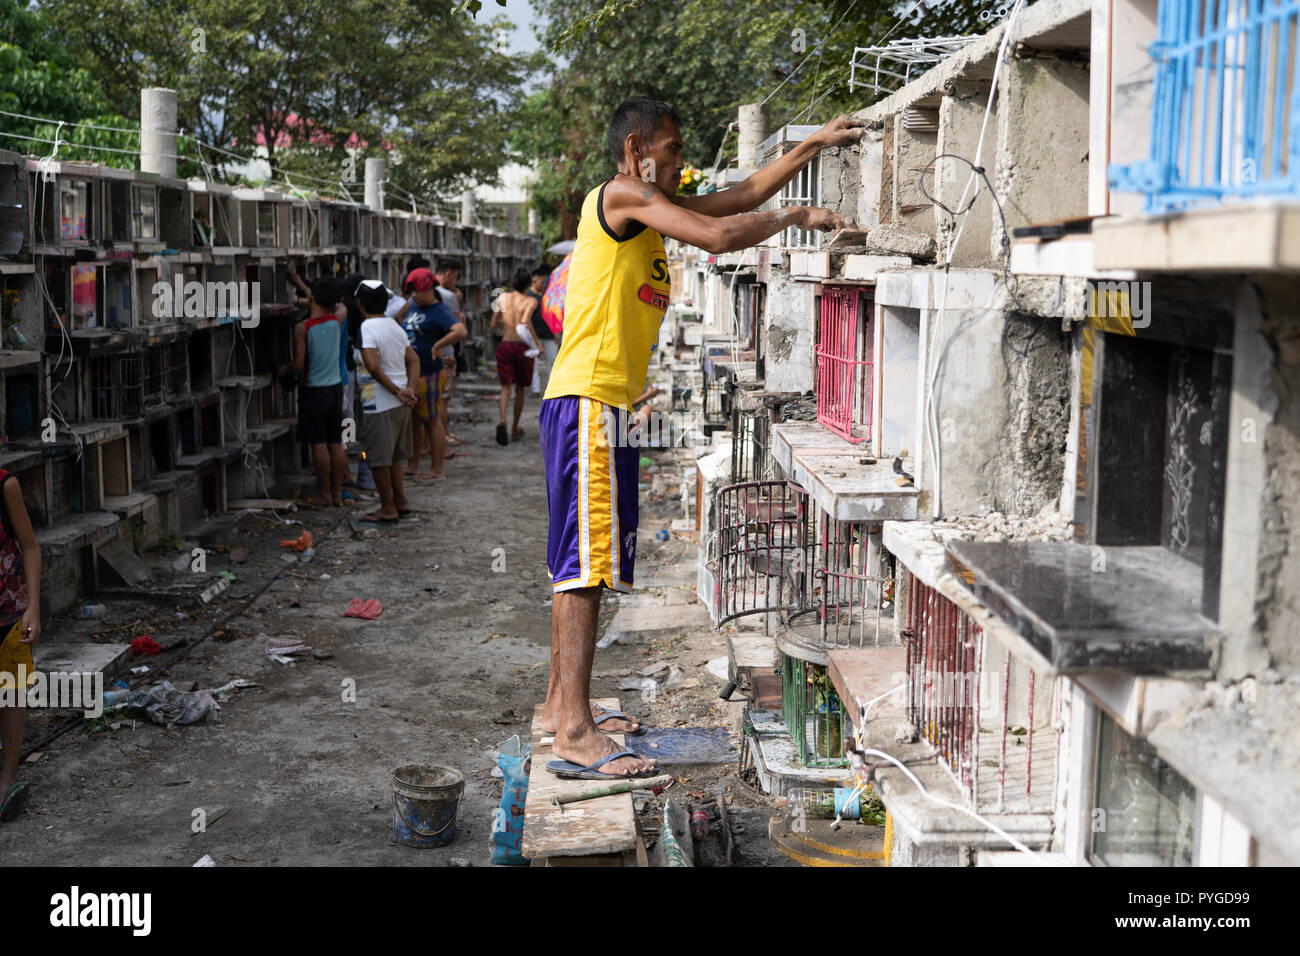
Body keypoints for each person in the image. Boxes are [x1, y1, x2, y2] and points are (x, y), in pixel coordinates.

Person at [538, 97, 860, 780]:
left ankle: (558, 707)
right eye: (674, 150)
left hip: (609, 404)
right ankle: (571, 728)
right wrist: (796, 218)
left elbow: (737, 196)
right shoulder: (624, 195)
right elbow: (718, 237)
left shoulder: (651, 203)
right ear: (636, 148)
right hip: (589, 401)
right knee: (585, 566)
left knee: (589, 558)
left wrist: (812, 148)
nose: (681, 165)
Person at [356, 279, 419, 522]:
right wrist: (408, 388)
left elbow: (371, 365)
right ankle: (400, 502)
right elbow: (413, 359)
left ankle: (387, 507)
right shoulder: (394, 326)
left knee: (378, 459)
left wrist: (395, 390)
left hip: (380, 402)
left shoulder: (368, 328)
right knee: (393, 457)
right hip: (400, 401)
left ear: (360, 304)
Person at [0, 451, 40, 820]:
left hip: (9, 610)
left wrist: (33, 608)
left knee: (11, 693)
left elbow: (30, 546)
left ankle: (7, 776)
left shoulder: (5, 485)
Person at [284, 277, 349, 506]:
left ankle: (324, 493)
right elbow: (341, 306)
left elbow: (299, 364)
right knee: (336, 441)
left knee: (318, 443)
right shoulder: (336, 320)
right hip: (335, 388)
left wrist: (285, 370)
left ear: (313, 297)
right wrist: (312, 299)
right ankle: (338, 492)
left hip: (314, 389)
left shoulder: (303, 328)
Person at [401, 267, 466, 479]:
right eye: (410, 291)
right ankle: (413, 465)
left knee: (431, 420)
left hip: (429, 372)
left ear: (428, 289)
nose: (413, 295)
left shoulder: (439, 311)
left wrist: (438, 346)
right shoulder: (412, 306)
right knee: (416, 421)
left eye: (416, 291)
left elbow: (460, 330)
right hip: (412, 373)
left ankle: (436, 469)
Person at [490, 268, 544, 446]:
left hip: (505, 344)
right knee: (520, 388)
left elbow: (492, 324)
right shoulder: (531, 301)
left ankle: (503, 421)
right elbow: (525, 323)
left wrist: (505, 322)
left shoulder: (502, 298)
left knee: (505, 387)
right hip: (522, 347)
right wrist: (538, 344)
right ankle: (515, 427)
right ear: (528, 284)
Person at [433, 259, 465, 447]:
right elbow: (458, 324)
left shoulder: (423, 295)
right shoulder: (449, 296)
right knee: (443, 400)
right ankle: (442, 436)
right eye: (455, 276)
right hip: (446, 351)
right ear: (448, 274)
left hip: (429, 352)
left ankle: (437, 437)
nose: (455, 280)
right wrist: (458, 301)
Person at [527, 266, 559, 396]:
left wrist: (557, 330)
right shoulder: (528, 296)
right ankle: (535, 390)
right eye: (542, 282)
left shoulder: (549, 294)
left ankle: (552, 389)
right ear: (534, 280)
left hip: (549, 333)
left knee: (553, 361)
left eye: (546, 282)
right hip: (533, 334)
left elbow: (554, 312)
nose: (544, 285)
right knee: (533, 363)